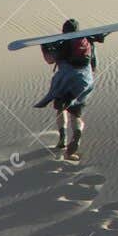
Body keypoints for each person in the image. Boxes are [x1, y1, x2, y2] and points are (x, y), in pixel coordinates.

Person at [35, 18, 106, 161]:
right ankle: (76, 135)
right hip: (83, 83)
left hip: (64, 82)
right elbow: (94, 66)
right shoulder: (88, 42)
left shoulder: (62, 44)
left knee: (61, 109)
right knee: (76, 114)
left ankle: (62, 137)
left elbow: (50, 60)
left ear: (64, 31)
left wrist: (45, 47)